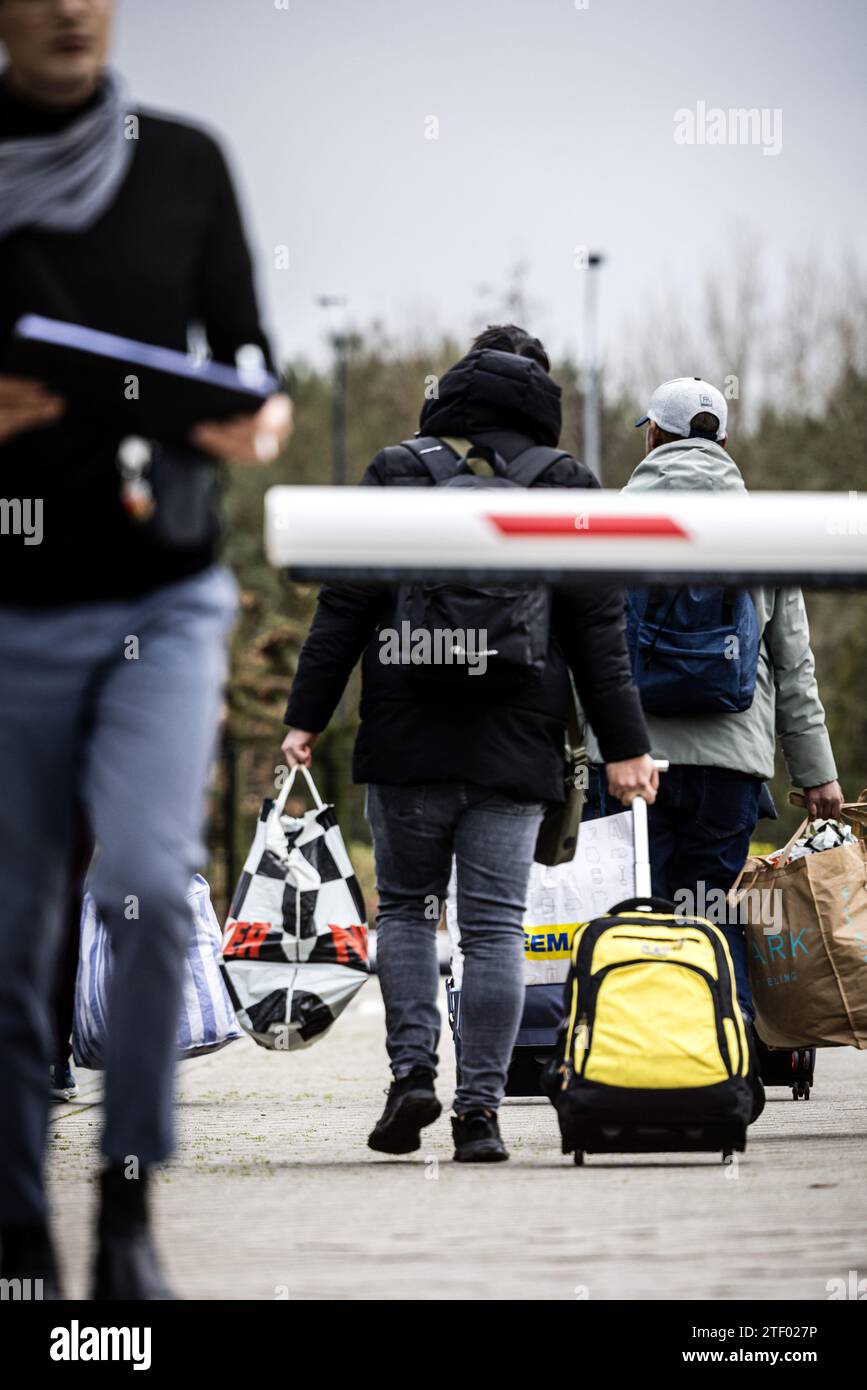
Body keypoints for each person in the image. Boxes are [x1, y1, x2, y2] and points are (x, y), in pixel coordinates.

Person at [0, 0, 292, 1299]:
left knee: (146, 878)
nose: (70, 10)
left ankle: (125, 1217)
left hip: (161, 593)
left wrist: (256, 417)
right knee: (14, 924)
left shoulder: (183, 162)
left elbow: (248, 357)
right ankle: (18, 1236)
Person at [282, 325, 656, 1163]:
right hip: (513, 740)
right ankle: (478, 1112)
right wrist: (625, 746)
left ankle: (412, 1073)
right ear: (541, 396)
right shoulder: (564, 483)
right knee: (494, 929)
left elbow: (341, 606)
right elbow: (599, 632)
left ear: (448, 389)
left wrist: (303, 718)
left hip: (406, 730)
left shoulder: (396, 471)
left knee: (407, 910)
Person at [584, 376, 842, 1022]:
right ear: (722, 440)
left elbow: (579, 649)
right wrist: (815, 774)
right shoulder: (763, 531)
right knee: (710, 914)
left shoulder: (608, 522)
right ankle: (724, 1065)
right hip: (729, 763)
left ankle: (628, 1063)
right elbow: (792, 664)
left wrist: (567, 748)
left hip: (625, 758)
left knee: (628, 915)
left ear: (652, 435)